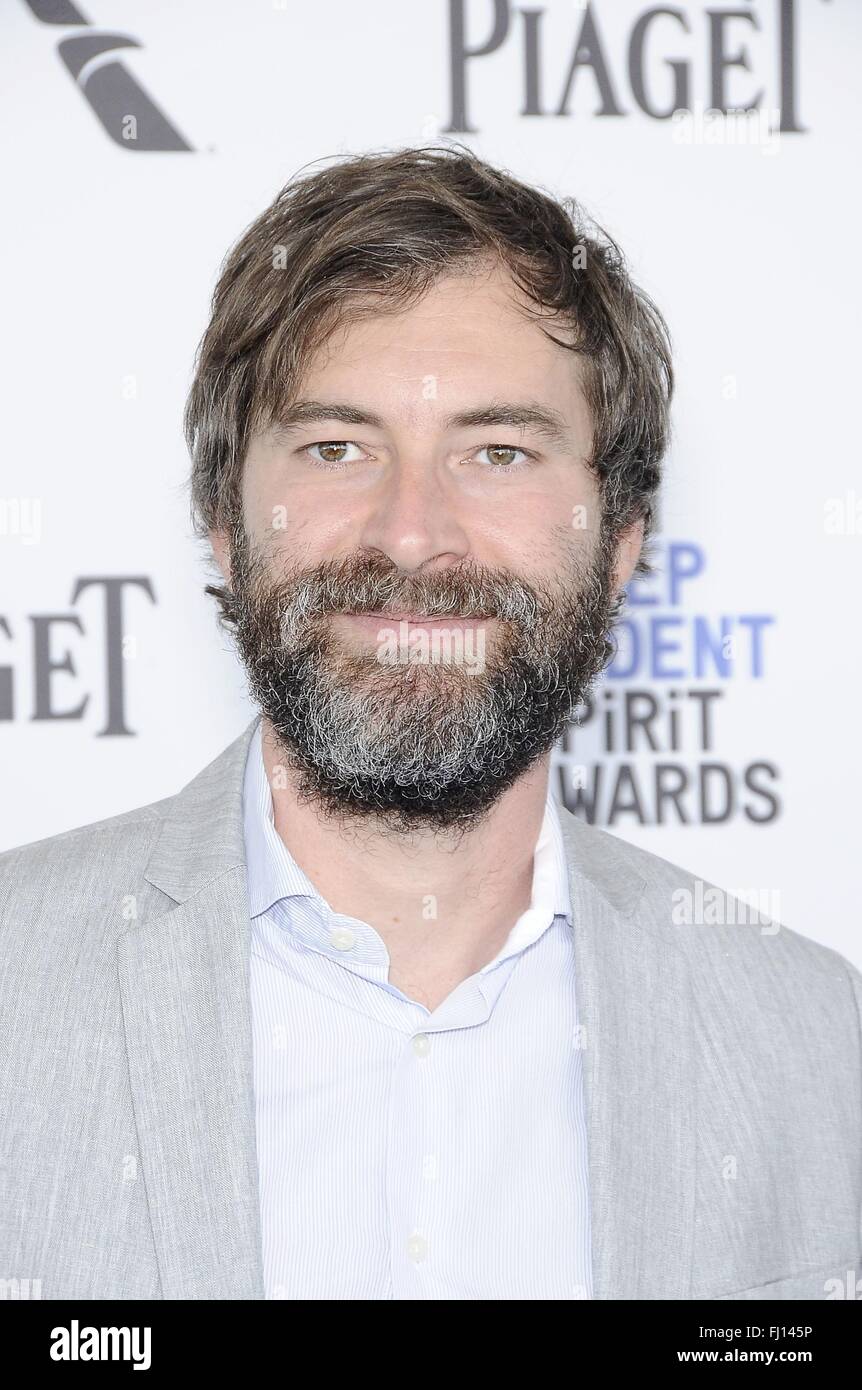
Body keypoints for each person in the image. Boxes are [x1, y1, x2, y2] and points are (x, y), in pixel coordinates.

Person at [1, 146, 859, 1302]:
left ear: (620, 543)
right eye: (337, 448)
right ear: (220, 520)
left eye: (497, 452)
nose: (411, 536)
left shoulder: (816, 1042)